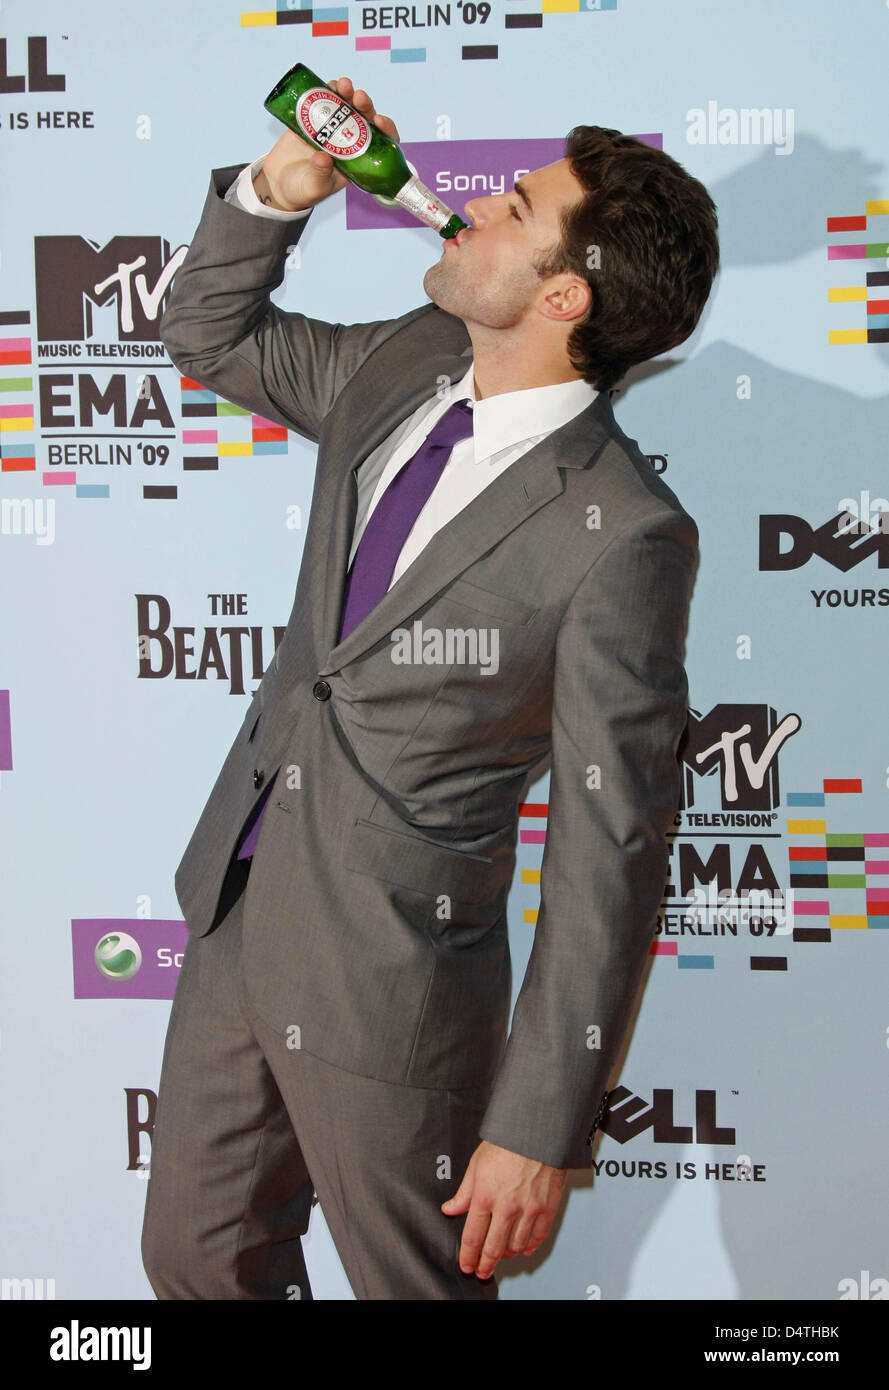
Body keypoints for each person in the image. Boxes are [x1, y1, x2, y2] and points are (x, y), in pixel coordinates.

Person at [141, 77, 719, 1301]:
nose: (468, 210)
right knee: (195, 1261)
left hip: (395, 982)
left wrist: (541, 1119)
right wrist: (278, 189)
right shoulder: (401, 363)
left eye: (513, 207)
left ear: (564, 297)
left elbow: (611, 848)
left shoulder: (623, 535)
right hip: (241, 906)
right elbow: (206, 334)